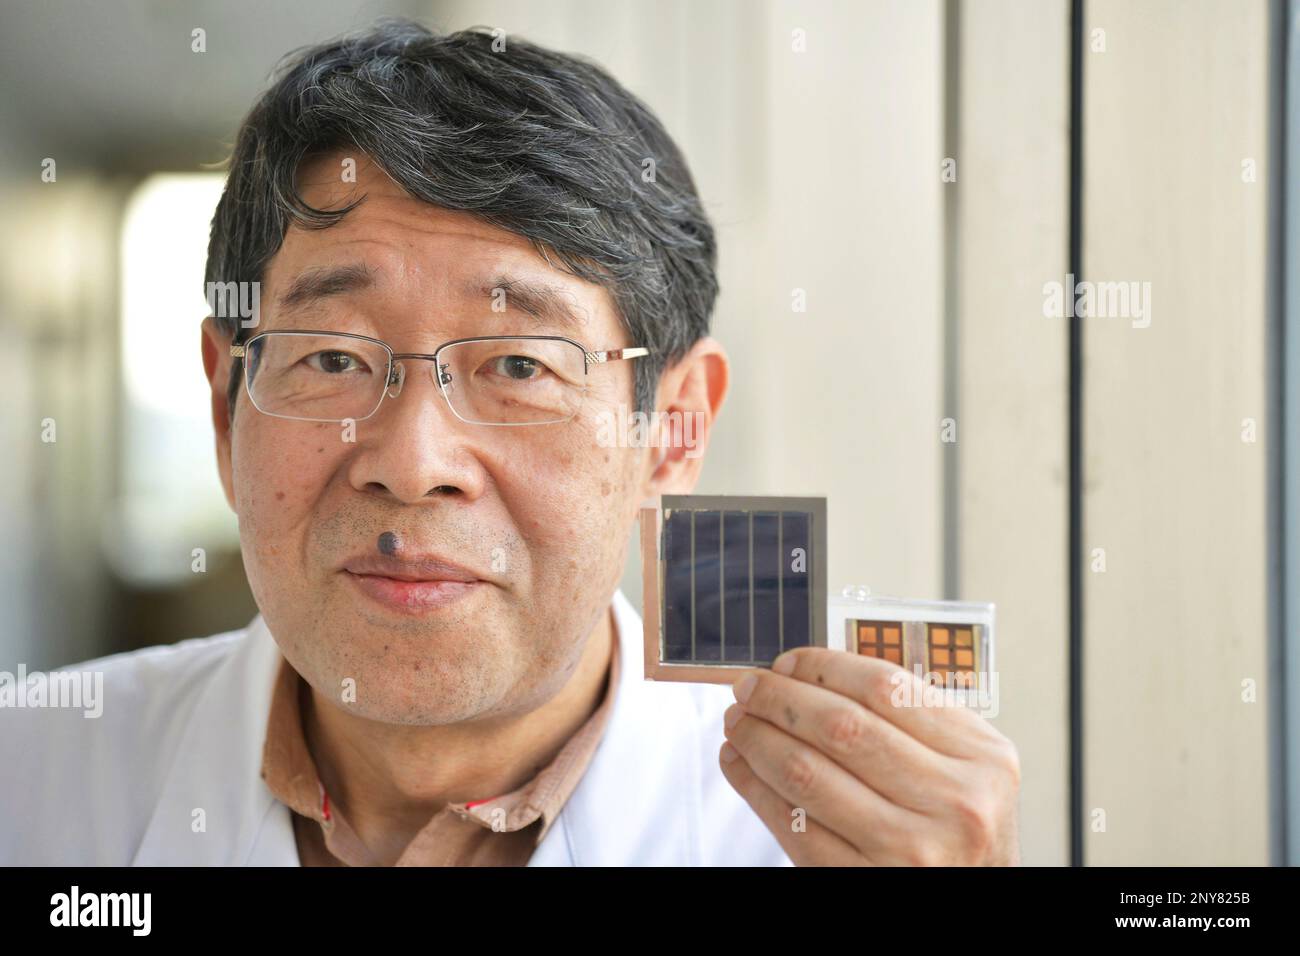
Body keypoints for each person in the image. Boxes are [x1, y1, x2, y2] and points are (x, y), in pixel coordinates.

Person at [0, 19, 1020, 866]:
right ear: (226, 406)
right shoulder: (32, 780)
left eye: (521, 366)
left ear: (671, 428)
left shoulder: (835, 837)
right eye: (332, 358)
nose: (412, 460)